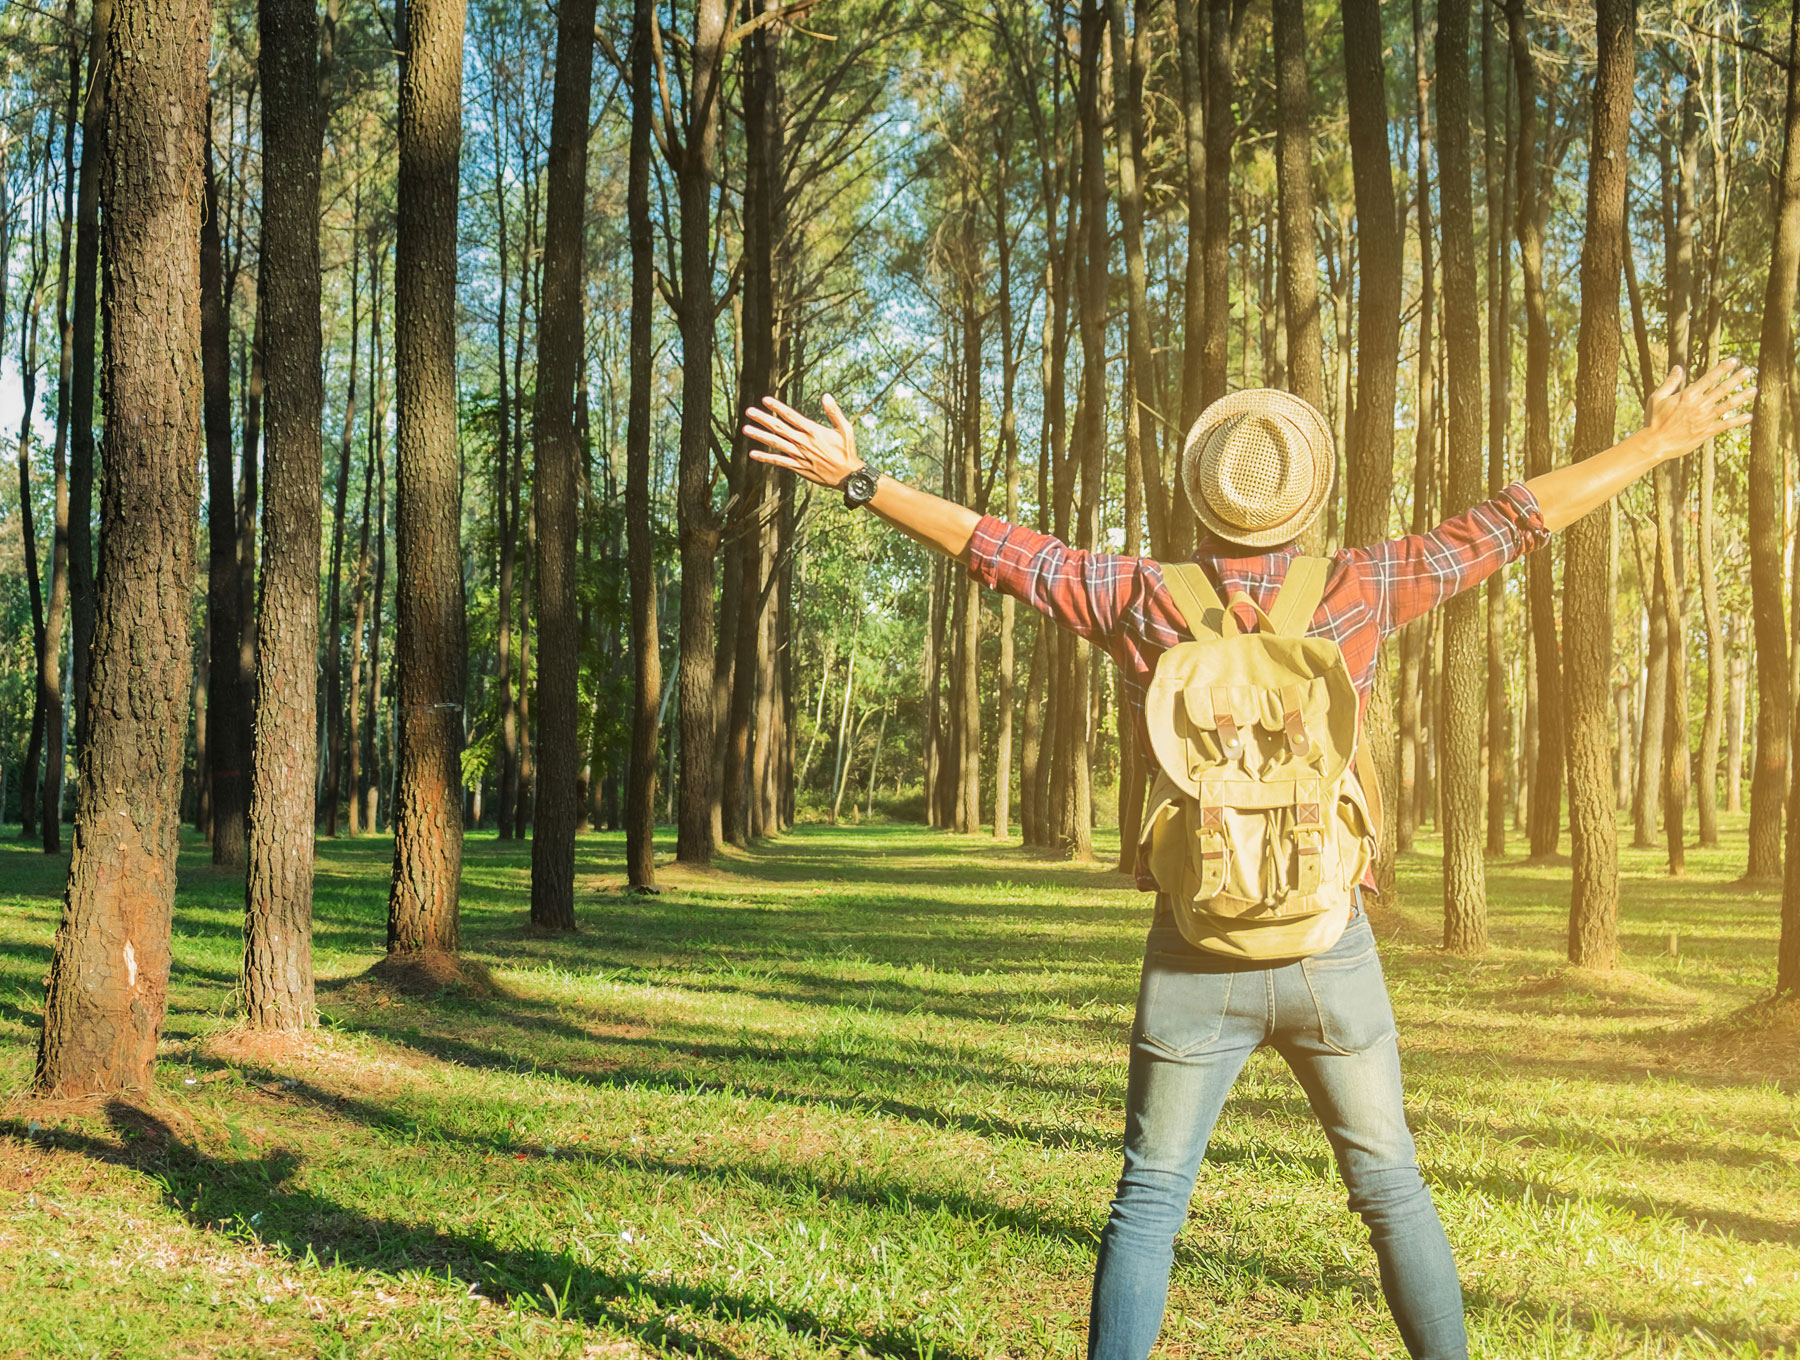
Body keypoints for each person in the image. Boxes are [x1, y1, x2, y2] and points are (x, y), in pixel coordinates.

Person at [742, 358, 1755, 1360]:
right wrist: (1656, 440)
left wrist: (861, 481)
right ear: (1303, 500)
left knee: (1149, 1203)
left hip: (1194, 951)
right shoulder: (1356, 588)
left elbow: (1007, 552)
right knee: (1391, 1188)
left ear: (1201, 499)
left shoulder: (1141, 596)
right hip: (1331, 950)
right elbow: (1511, 521)